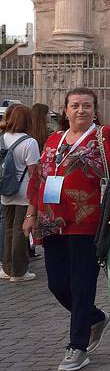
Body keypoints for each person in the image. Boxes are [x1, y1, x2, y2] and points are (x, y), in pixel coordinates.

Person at [24, 87, 110, 371]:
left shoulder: (106, 135)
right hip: (51, 221)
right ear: (66, 110)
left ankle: (77, 347)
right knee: (57, 283)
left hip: (87, 220)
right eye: (75, 105)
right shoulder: (53, 140)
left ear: (95, 110)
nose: (81, 110)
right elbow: (39, 179)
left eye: (87, 106)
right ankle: (95, 318)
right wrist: (31, 213)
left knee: (82, 283)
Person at [0, 105, 40, 282]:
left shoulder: (3, 138)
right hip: (23, 192)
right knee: (20, 229)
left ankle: (6, 267)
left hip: (5, 189)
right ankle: (19, 270)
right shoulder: (29, 142)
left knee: (7, 228)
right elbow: (34, 173)